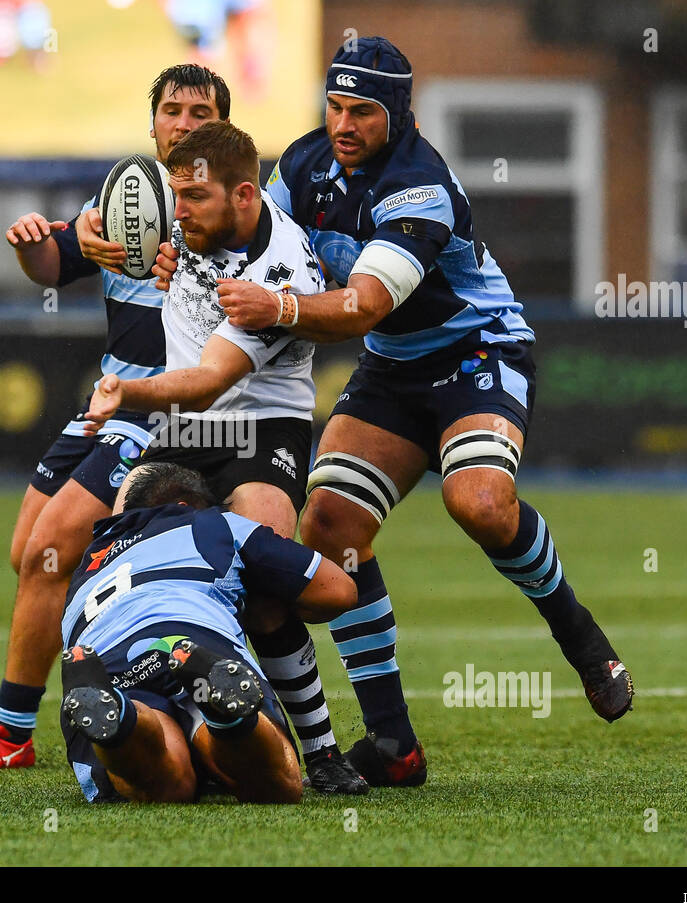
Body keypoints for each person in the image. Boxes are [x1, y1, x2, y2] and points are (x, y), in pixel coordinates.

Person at [153, 36, 635, 788]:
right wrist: (182, 251)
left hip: (477, 353)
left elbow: (363, 304)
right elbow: (251, 240)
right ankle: (393, 743)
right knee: (331, 529)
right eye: (335, 106)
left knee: (477, 503)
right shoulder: (304, 162)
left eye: (363, 112)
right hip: (394, 368)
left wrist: (277, 304)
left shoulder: (419, 187)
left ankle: (577, 633)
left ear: (398, 115)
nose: (344, 124)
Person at [0, 65, 229, 770]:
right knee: (29, 556)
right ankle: (125, 677)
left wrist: (187, 265)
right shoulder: (127, 199)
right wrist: (35, 238)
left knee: (50, 552)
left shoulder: (237, 210)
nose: (184, 123)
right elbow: (49, 265)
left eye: (200, 111)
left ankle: (11, 732)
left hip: (165, 412)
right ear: (152, 124)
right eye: (172, 110)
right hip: (108, 401)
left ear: (222, 127)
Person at [81, 119, 368, 794]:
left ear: (244, 195)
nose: (178, 215)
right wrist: (90, 238)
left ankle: (321, 752)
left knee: (265, 563)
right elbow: (103, 229)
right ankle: (149, 725)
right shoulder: (183, 214)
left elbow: (211, 380)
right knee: (126, 544)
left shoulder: (278, 271)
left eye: (193, 202)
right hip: (185, 426)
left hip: (262, 428)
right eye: (174, 201)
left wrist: (126, 391)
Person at [59, 462, 358, 804]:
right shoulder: (214, 523)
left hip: (107, 657)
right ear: (186, 506)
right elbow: (339, 590)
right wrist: (260, 590)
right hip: (195, 636)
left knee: (169, 786)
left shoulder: (86, 566)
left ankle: (121, 717)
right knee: (276, 784)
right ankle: (222, 714)